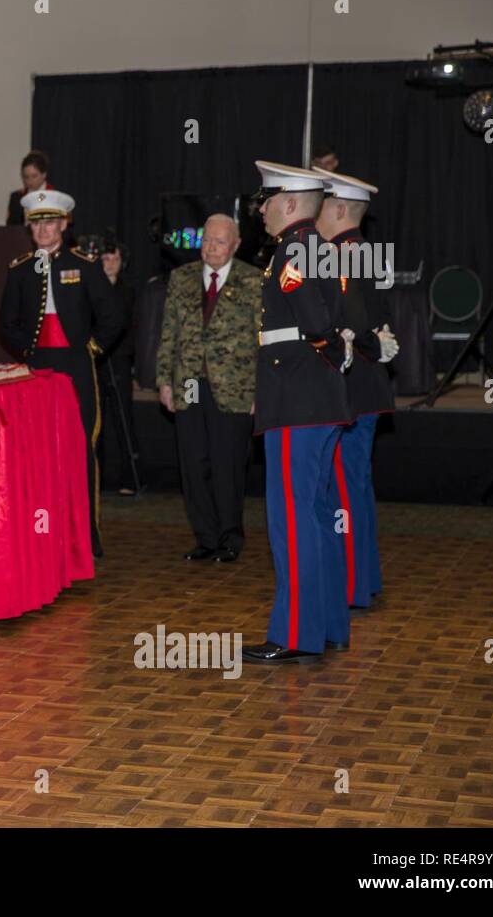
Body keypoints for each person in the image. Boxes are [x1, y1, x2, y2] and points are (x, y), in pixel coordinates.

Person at [242, 161, 354, 665]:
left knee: (292, 519)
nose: (261, 210)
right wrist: (333, 356)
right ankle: (326, 625)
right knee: (319, 514)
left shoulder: (293, 249)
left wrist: (327, 350)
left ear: (287, 203)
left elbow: (314, 320)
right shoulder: (320, 248)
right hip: (319, 397)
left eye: (266, 201)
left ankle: (295, 633)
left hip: (296, 397)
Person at [0, 189, 125, 558]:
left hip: (76, 368)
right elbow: (6, 324)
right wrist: (28, 351)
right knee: (35, 451)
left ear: (64, 224)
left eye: (50, 222)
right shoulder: (19, 269)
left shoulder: (84, 266)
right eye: (37, 222)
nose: (43, 229)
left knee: (79, 447)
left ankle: (85, 535)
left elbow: (114, 316)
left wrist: (91, 348)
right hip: (36, 369)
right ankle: (39, 532)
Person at [314, 168, 400, 611]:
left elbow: (354, 328)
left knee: (345, 489)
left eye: (323, 204)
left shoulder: (343, 256)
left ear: (341, 209)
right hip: (363, 387)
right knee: (355, 486)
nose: (316, 213)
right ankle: (360, 579)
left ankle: (350, 584)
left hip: (352, 387)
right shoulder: (362, 253)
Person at [155, 214, 262, 563]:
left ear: (235, 245)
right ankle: (205, 536)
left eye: (219, 242)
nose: (211, 248)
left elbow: (264, 340)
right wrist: (164, 381)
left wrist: (261, 391)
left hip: (235, 387)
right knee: (193, 461)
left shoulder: (253, 281)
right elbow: (168, 332)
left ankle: (231, 536)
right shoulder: (181, 278)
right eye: (206, 241)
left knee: (227, 462)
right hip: (189, 382)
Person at [94, 231, 140, 497]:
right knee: (97, 421)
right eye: (105, 257)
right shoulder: (92, 287)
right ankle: (97, 478)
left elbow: (131, 327)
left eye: (114, 258)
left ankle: (130, 478)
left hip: (120, 360)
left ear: (122, 262)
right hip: (96, 360)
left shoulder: (128, 291)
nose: (109, 262)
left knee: (123, 420)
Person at [6, 150, 52, 226]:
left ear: (44, 174)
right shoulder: (17, 197)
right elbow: (10, 228)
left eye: (34, 176)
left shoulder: (54, 196)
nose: (29, 181)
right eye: (26, 177)